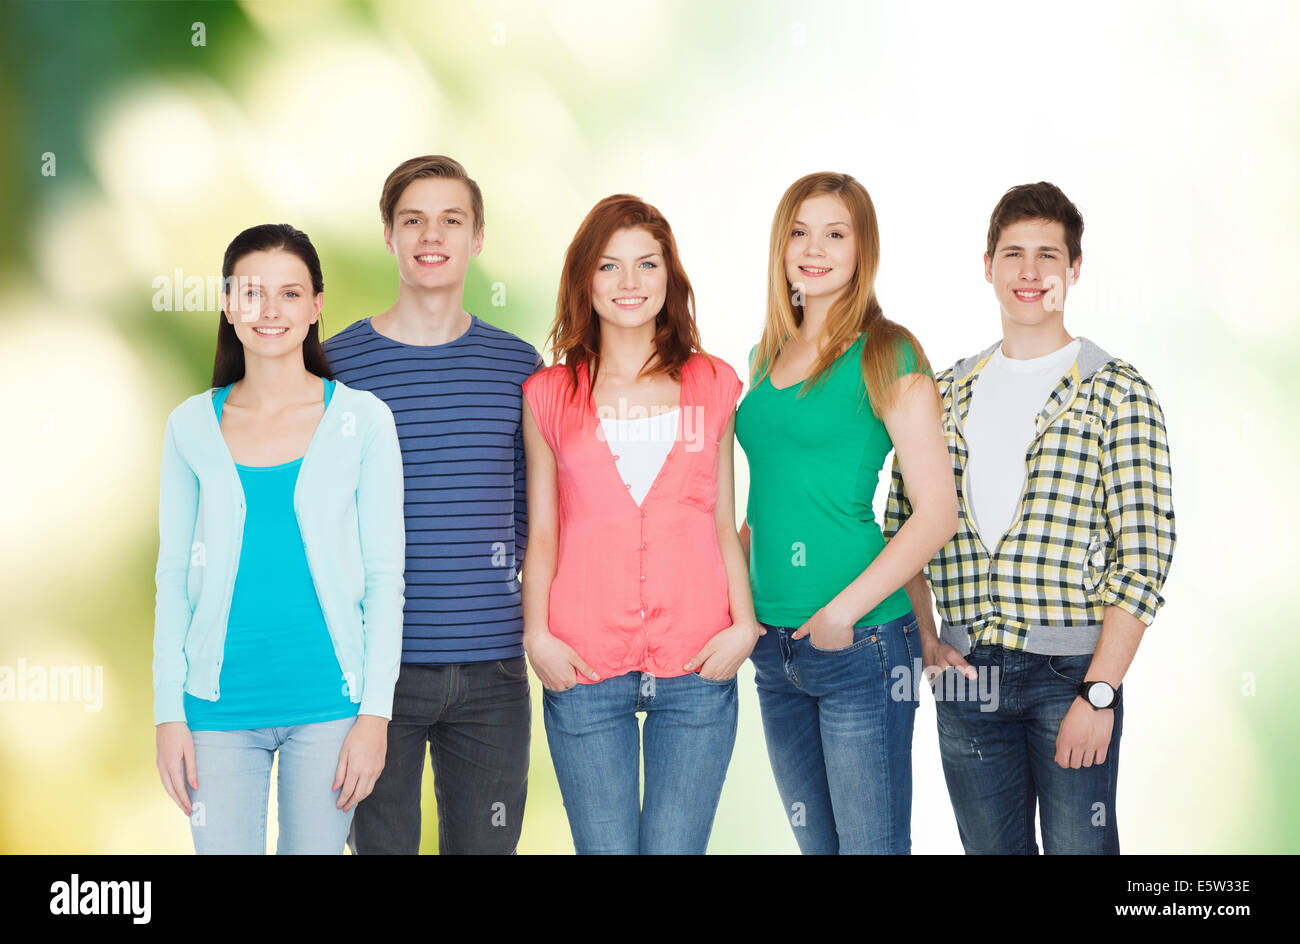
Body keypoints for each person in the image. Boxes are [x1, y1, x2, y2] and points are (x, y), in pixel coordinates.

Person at [885, 181, 1176, 854]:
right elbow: (902, 529)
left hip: (1068, 679)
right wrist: (927, 639)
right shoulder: (946, 392)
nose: (1030, 271)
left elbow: (1144, 555)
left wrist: (1099, 693)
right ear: (987, 265)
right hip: (968, 679)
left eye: (1049, 255)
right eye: (1013, 253)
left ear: (1074, 270)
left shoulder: (1117, 392)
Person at [152, 223, 406, 854]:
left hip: (329, 707)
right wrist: (167, 713)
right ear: (228, 305)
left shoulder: (363, 421)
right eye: (252, 293)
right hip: (214, 711)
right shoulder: (190, 427)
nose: (271, 311)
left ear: (317, 306)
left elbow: (384, 579)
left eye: (290, 294)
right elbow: (171, 576)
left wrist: (374, 716)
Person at [521, 194, 758, 854]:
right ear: (584, 281)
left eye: (646, 264)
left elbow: (721, 518)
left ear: (669, 276)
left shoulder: (713, 384)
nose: (629, 283)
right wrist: (536, 635)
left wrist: (744, 627)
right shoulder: (549, 395)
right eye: (609, 266)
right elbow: (544, 531)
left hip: (698, 657)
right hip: (582, 660)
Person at [323, 156, 542, 854]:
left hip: (495, 673)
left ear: (478, 237)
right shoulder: (336, 367)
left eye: (452, 219)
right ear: (388, 235)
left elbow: (533, 516)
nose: (431, 234)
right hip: (373, 680)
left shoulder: (518, 366)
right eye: (413, 219)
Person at [734, 172, 958, 854]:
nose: (815, 248)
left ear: (864, 250)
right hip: (774, 649)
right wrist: (735, 607)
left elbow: (937, 513)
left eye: (836, 233)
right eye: (800, 231)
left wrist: (840, 615)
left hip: (860, 644)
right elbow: (763, 507)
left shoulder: (889, 352)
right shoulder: (764, 355)